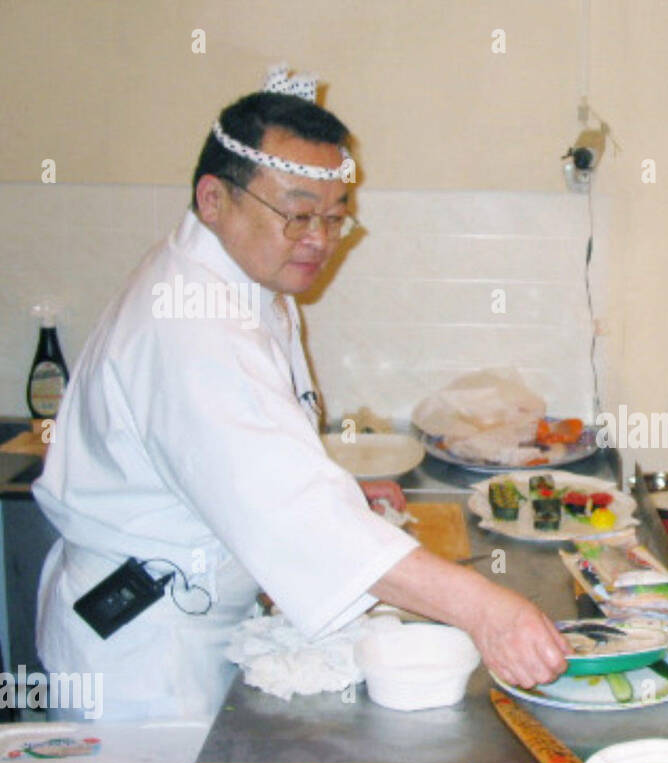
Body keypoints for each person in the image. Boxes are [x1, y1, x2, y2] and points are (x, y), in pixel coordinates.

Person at [33, 65, 569, 722]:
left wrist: (334, 480)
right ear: (213, 198)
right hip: (149, 653)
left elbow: (254, 453)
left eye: (335, 217)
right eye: (296, 215)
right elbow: (292, 510)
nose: (318, 239)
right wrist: (488, 610)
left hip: (189, 614)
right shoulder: (191, 323)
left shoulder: (244, 277)